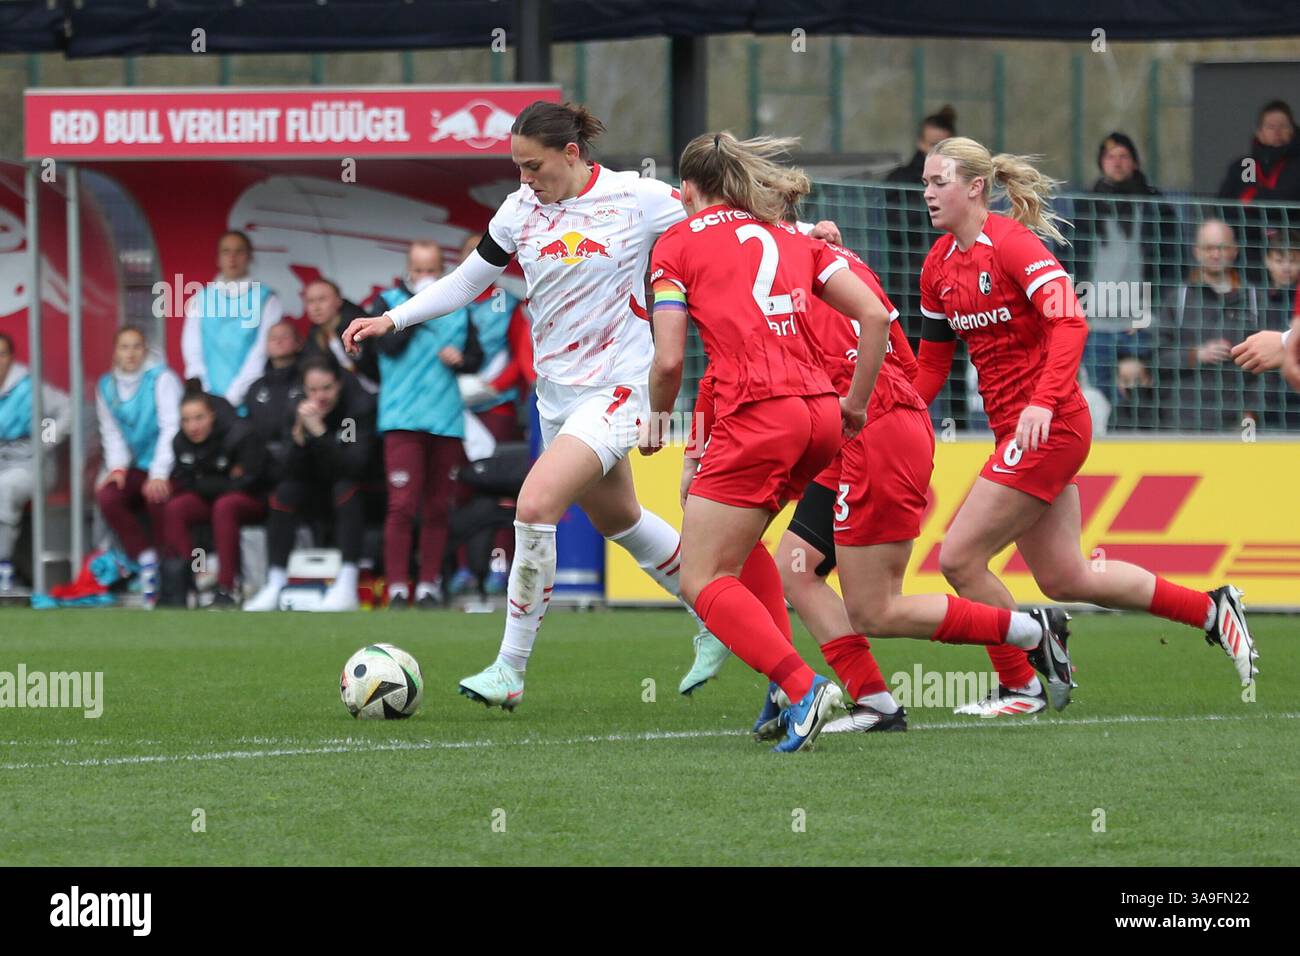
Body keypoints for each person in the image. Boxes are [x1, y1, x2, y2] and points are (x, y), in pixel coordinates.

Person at [344, 100, 842, 710]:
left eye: (534, 166)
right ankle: (712, 613)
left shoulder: (638, 199)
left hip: (619, 388)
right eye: (517, 168)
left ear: (572, 154)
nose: (525, 179)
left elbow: (728, 224)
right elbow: (468, 281)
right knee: (621, 520)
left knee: (535, 502)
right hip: (556, 395)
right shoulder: (519, 208)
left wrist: (803, 235)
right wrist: (392, 318)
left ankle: (510, 668)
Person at [910, 138, 1259, 715]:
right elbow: (931, 368)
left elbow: (1071, 320)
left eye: (937, 181)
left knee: (959, 559)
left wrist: (1042, 402)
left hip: (1054, 427)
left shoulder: (1014, 244)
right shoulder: (937, 266)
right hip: (1016, 435)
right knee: (1065, 576)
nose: (926, 194)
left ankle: (1020, 682)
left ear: (975, 187)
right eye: (924, 183)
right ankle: (1212, 610)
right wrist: (879, 416)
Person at [682, 235, 1076, 732]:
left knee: (875, 609)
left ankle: (1030, 631)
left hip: (866, 426)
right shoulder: (836, 257)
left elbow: (719, 372)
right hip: (859, 426)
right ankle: (875, 704)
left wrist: (697, 453)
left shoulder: (759, 263)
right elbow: (906, 362)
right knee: (796, 570)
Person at [644, 131, 892, 750]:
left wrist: (657, 417)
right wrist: (855, 406)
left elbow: (671, 360)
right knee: (740, 541)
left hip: (758, 415)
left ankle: (804, 685)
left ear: (688, 192)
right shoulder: (788, 235)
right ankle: (786, 689)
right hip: (819, 416)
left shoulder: (675, 244)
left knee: (702, 578)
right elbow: (876, 316)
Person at [369, 241, 482, 609]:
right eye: (418, 270)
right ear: (407, 270)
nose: (425, 277)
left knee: (437, 506)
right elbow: (385, 349)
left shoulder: (458, 303)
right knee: (402, 505)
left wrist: (461, 360)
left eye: (432, 269)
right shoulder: (386, 302)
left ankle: (429, 585)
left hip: (446, 419)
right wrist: (414, 312)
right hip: (402, 418)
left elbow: (476, 358)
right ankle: (399, 586)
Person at [243, 359, 379, 612]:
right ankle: (276, 581)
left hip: (359, 493)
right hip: (315, 488)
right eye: (313, 390)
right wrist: (298, 440)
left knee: (345, 488)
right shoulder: (297, 407)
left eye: (326, 389)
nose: (320, 397)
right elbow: (287, 469)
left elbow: (353, 466)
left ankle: (347, 583)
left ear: (338, 385)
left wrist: (320, 435)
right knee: (284, 493)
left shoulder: (358, 407)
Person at [94, 325, 183, 604]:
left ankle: (166, 572)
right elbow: (112, 432)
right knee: (107, 494)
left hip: (168, 464)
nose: (130, 353)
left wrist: (159, 472)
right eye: (124, 347)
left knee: (156, 495)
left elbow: (172, 427)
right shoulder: (106, 386)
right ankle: (144, 558)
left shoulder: (161, 379)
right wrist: (118, 467)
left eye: (136, 347)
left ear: (145, 350)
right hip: (136, 465)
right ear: (115, 351)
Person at [1153, 219, 1267, 432]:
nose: (1215, 254)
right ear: (1196, 252)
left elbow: (1268, 366)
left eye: (1222, 248)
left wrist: (1252, 411)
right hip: (1182, 421)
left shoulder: (1255, 299)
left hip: (1237, 423)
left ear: (1234, 251)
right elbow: (1157, 358)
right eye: (1209, 248)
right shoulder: (1177, 298)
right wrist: (1195, 355)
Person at [159, 384, 267, 607]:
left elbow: (250, 480)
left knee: (224, 506)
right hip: (213, 499)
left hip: (253, 500)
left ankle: (227, 588)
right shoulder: (180, 442)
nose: (193, 426)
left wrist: (208, 481)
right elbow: (187, 483)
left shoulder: (240, 434)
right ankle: (187, 582)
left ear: (212, 415)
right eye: (186, 420)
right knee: (176, 507)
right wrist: (225, 478)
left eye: (199, 418)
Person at [181, 230, 283, 410]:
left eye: (239, 251)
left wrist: (234, 395)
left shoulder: (267, 298)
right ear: (218, 258)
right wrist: (205, 393)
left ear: (250, 257)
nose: (232, 257)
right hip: (207, 401)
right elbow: (192, 347)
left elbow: (261, 350)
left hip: (250, 397)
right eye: (226, 251)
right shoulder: (201, 298)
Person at [0, 332, 71, 591]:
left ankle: (3, 570)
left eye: (2, 354)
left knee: (4, 489)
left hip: (32, 465)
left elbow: (68, 408)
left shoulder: (28, 386)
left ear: (11, 357)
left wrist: (45, 440)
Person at [1231, 227, 1300, 428]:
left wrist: (1283, 342)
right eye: (1280, 260)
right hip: (1262, 404)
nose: (1286, 267)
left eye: (1294, 260)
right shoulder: (1252, 301)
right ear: (1267, 261)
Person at [245, 320, 305, 486]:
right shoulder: (254, 388)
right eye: (272, 338)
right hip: (261, 468)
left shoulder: (309, 381)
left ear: (298, 343)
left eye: (284, 336)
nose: (278, 341)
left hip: (299, 467)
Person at [301, 277, 379, 393]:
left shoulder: (361, 325)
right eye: (310, 301)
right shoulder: (313, 337)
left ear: (338, 300)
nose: (316, 307)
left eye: (322, 299)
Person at [1217, 100, 1300, 204]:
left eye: (1283, 126)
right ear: (1259, 133)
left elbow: (1284, 200)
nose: (1277, 132)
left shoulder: (1296, 165)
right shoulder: (1244, 166)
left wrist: (1250, 200)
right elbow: (1223, 206)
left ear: (1292, 131)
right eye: (1271, 127)